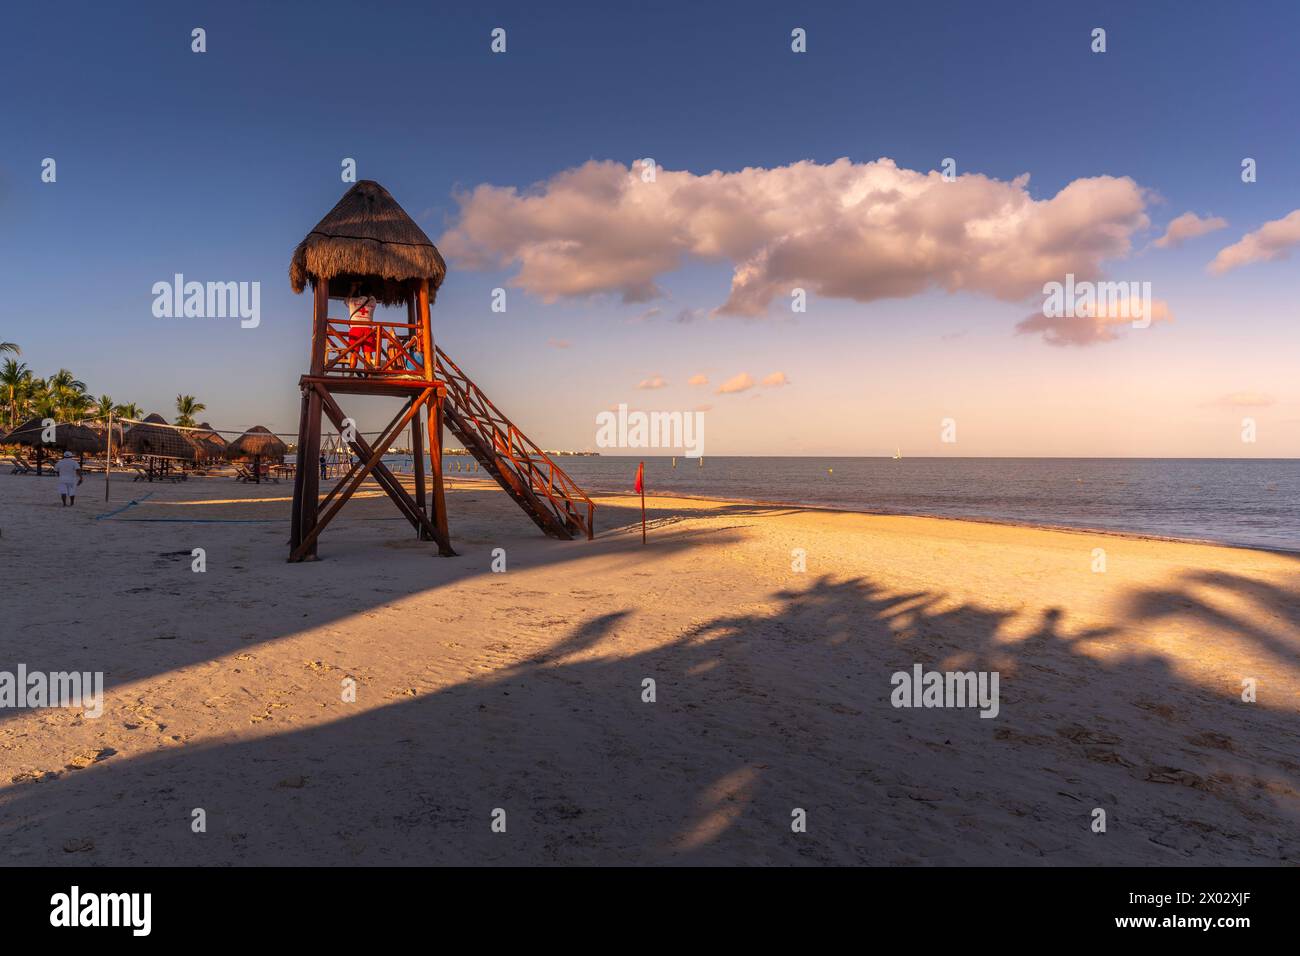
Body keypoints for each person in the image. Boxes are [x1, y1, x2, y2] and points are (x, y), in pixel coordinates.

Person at [345, 283, 378, 372]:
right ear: (369, 293)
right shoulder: (372, 302)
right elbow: (372, 297)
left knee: (354, 354)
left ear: (359, 292)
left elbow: (346, 300)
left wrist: (353, 290)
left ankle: (351, 374)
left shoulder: (352, 301)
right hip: (368, 330)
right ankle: (368, 375)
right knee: (367, 354)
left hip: (355, 330)